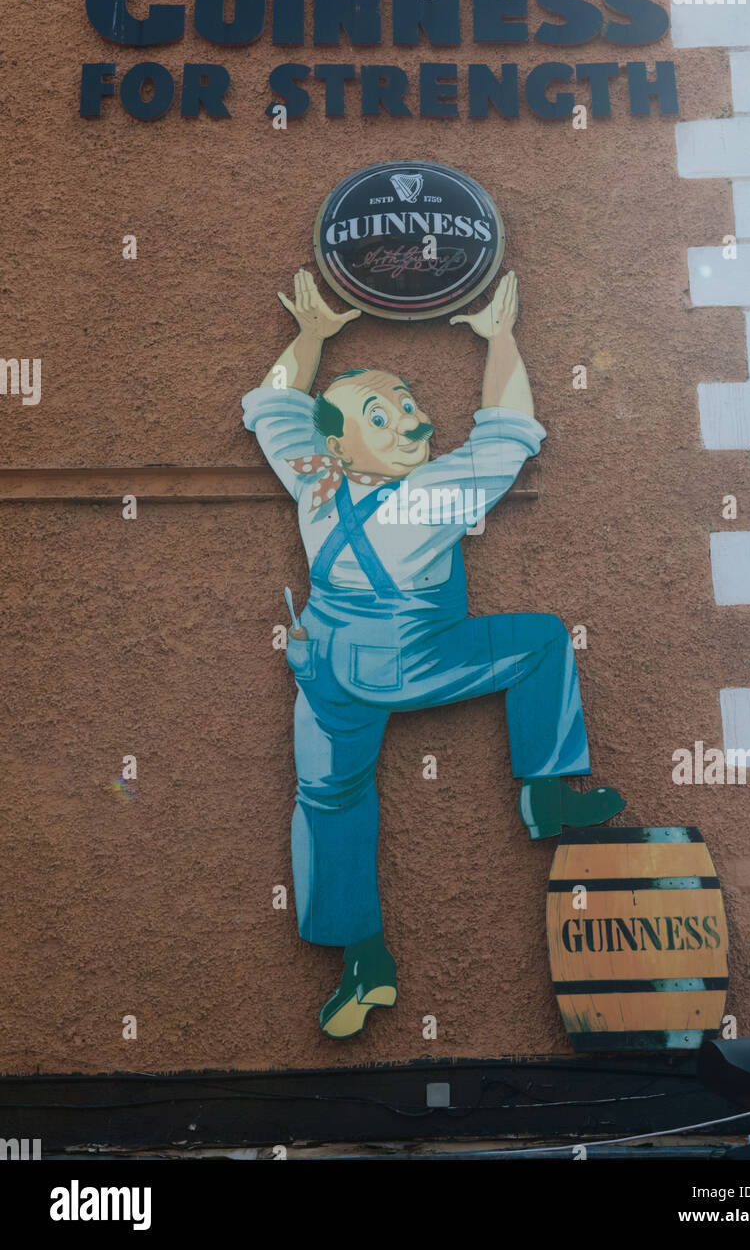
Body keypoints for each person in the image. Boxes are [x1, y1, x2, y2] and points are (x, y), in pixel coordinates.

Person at [242, 266, 625, 1038]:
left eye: (409, 405)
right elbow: (508, 433)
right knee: (542, 640)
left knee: (328, 805)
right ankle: (545, 795)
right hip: (409, 664)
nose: (410, 421)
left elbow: (272, 408)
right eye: (380, 417)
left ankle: (364, 963)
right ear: (342, 443)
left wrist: (309, 337)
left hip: (322, 674)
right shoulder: (428, 499)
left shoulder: (315, 481)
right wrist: (500, 339)